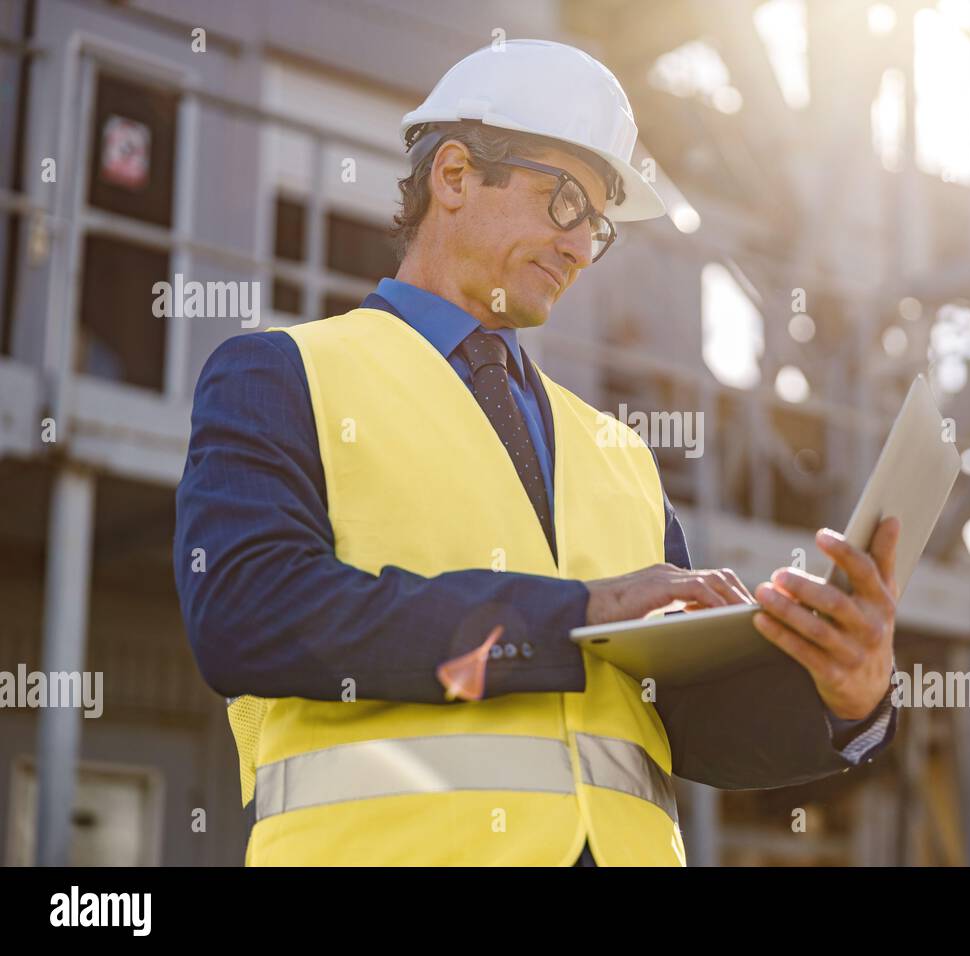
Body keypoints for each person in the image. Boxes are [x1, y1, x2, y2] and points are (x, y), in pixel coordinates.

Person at [174, 39, 899, 866]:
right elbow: (245, 614)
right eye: (565, 203)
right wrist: (579, 613)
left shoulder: (619, 451)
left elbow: (679, 729)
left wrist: (846, 700)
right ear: (453, 176)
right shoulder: (283, 374)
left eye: (597, 224)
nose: (583, 247)